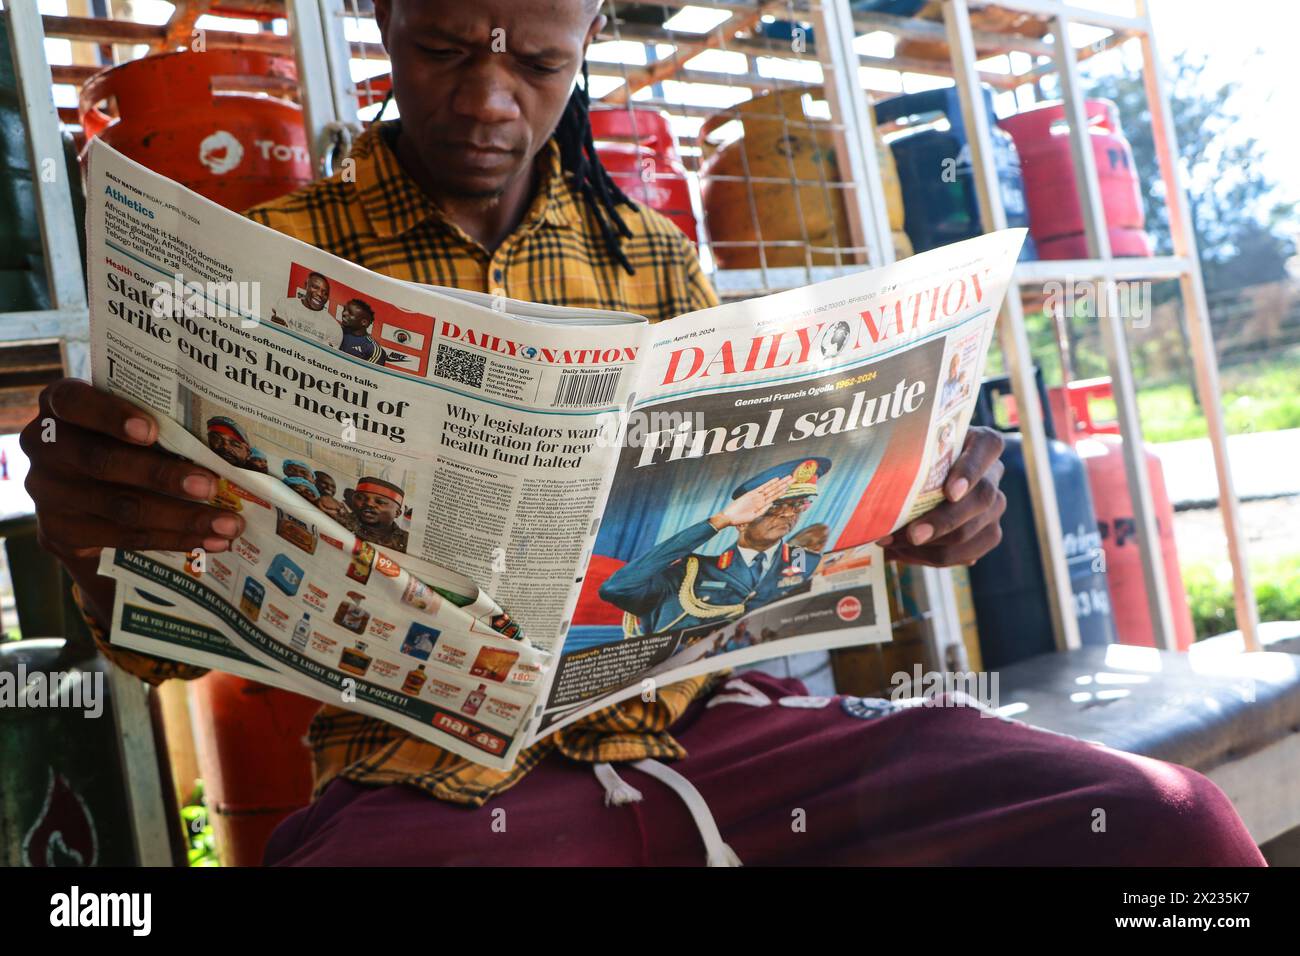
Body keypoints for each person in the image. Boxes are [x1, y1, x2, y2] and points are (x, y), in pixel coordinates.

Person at [19, 0, 1262, 867]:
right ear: (379, 11)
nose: (490, 101)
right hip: (427, 791)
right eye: (447, 49)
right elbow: (158, 652)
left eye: (539, 65)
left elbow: (780, 516)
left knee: (1167, 824)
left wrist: (926, 501)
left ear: (590, 38)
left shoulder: (652, 254)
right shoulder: (264, 262)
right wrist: (104, 542)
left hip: (713, 729)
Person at [599, 458, 829, 638]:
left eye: (798, 505)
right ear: (742, 519)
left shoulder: (806, 562)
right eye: (775, 506)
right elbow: (617, 588)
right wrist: (720, 520)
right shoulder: (691, 573)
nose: (789, 514)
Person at [270, 271, 341, 347]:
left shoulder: (334, 328)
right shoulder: (285, 304)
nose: (320, 294)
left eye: (325, 293)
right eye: (315, 287)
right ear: (306, 285)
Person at [339, 476, 408, 552]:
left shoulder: (406, 540)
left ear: (397, 513)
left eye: (380, 502)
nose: (369, 503)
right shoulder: (340, 520)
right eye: (361, 498)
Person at [337, 299, 388, 366]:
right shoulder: (336, 330)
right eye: (344, 310)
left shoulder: (373, 349)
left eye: (350, 313)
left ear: (364, 322)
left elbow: (367, 374)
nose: (344, 313)